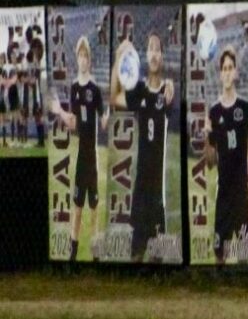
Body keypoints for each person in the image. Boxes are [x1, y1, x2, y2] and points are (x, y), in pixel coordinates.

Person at [115, 30, 174, 263]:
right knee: (136, 254)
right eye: (150, 48)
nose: (154, 53)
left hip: (158, 186)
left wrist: (170, 84)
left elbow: (172, 101)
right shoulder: (138, 90)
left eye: (157, 49)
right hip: (141, 183)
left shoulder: (167, 92)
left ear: (162, 56)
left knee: (157, 257)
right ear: (146, 55)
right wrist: (118, 60)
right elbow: (115, 97)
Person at [53, 32, 106, 257]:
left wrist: (109, 113)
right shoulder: (74, 87)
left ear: (89, 59)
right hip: (80, 161)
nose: (83, 59)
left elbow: (103, 122)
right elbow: (73, 123)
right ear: (77, 58)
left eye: (86, 55)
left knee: (94, 211)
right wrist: (61, 112)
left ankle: (95, 255)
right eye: (80, 56)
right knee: (76, 210)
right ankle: (72, 257)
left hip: (92, 159)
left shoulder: (95, 89)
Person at [203, 48, 248, 260]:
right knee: (220, 255)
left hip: (241, 192)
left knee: (245, 252)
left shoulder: (245, 108)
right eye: (223, 69)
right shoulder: (214, 112)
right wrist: (207, 136)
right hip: (223, 193)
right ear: (220, 74)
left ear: (235, 73)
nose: (227, 73)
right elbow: (210, 162)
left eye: (230, 68)